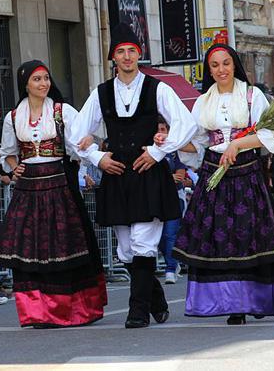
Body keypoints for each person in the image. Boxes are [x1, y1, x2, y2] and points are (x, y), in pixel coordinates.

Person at [70, 23, 196, 329]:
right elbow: (75, 133)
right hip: (116, 173)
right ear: (114, 57)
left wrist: (157, 152)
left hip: (148, 173)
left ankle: (137, 310)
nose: (127, 57)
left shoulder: (158, 88)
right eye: (121, 52)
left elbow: (186, 123)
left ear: (139, 54)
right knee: (125, 250)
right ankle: (155, 299)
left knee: (143, 242)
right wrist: (98, 158)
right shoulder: (101, 92)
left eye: (132, 51)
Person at [169, 43, 274, 325]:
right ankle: (230, 302)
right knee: (219, 241)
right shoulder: (203, 102)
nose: (221, 70)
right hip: (215, 173)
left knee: (248, 238)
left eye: (225, 63)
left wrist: (237, 144)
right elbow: (200, 142)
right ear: (209, 70)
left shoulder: (252, 95)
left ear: (234, 64)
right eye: (214, 65)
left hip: (247, 174)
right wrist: (171, 142)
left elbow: (268, 135)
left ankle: (253, 300)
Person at [0, 60, 106, 328]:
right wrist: (14, 168)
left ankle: (71, 310)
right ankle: (37, 311)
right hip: (28, 188)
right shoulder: (13, 117)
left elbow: (81, 142)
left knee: (64, 247)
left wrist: (90, 145)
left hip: (58, 185)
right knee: (30, 251)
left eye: (46, 78)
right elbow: (8, 153)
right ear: (25, 84)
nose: (43, 84)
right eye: (37, 79)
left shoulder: (61, 111)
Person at [156, 116, 187, 284]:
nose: (160, 133)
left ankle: (170, 269)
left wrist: (163, 179)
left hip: (175, 197)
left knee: (170, 233)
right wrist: (168, 177)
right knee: (159, 237)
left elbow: (180, 177)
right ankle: (172, 261)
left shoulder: (175, 151)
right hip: (155, 199)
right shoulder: (149, 151)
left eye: (163, 130)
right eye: (158, 130)